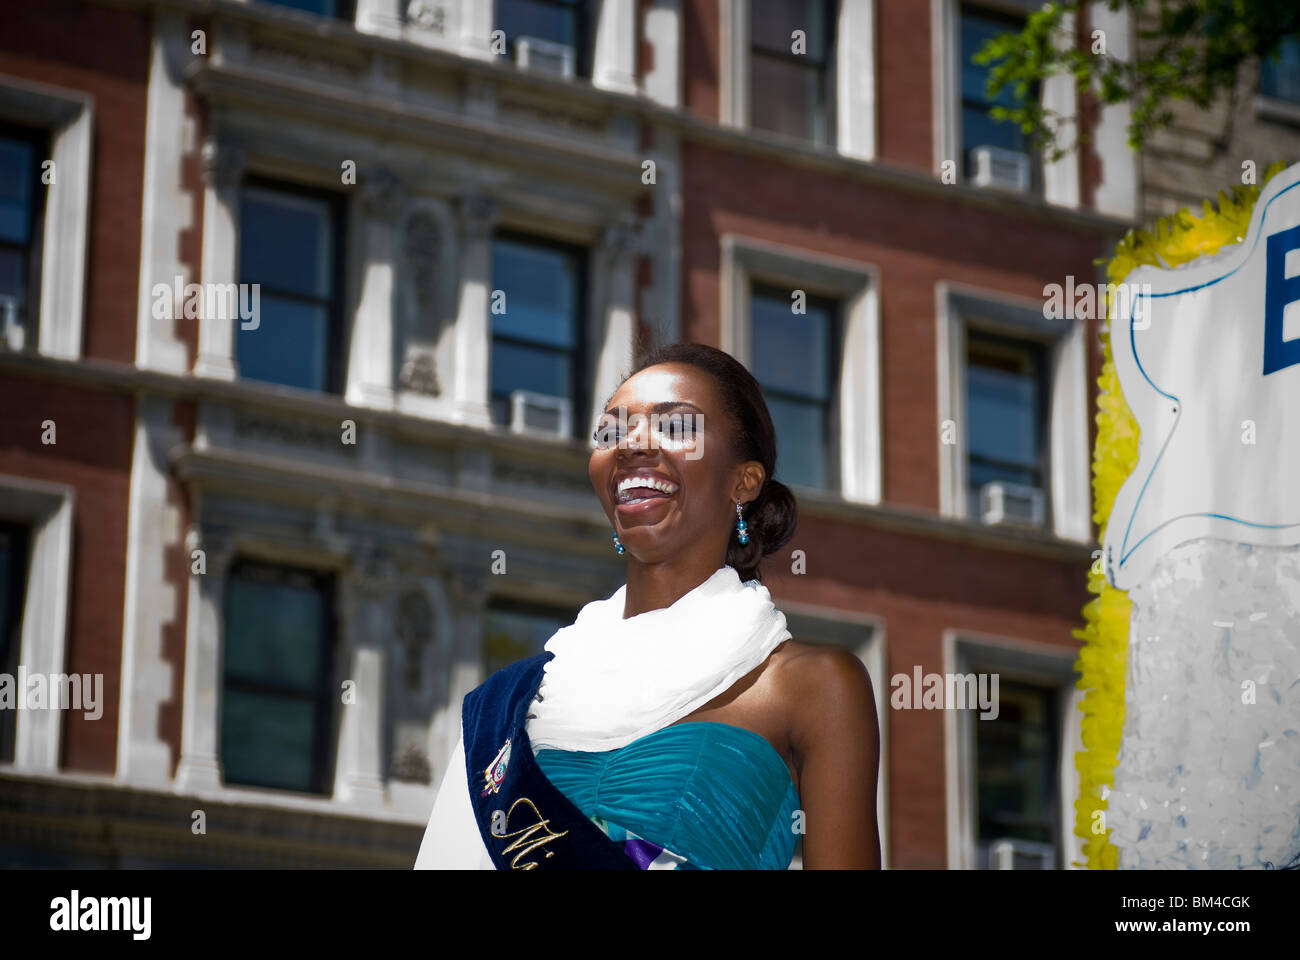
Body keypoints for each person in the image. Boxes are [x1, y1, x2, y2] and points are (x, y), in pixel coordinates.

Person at [414, 342, 880, 869]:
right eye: (611, 431)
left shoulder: (813, 683)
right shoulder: (505, 709)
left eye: (676, 427)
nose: (632, 444)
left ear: (743, 481)